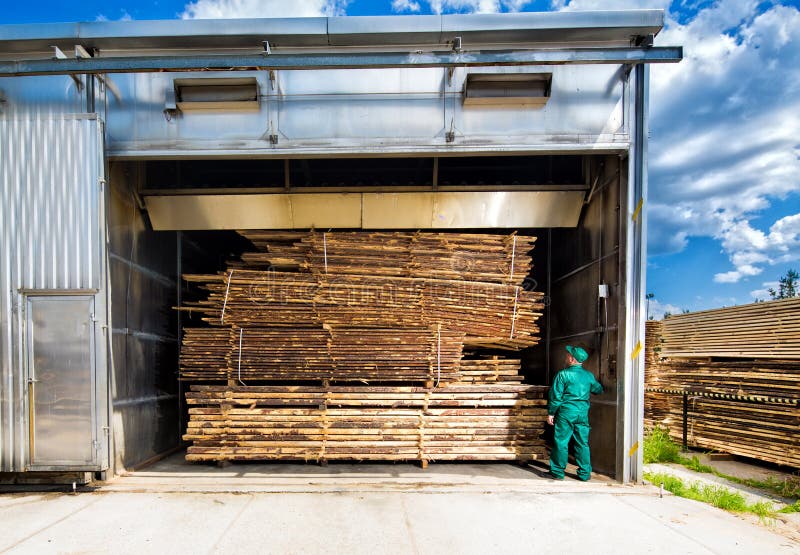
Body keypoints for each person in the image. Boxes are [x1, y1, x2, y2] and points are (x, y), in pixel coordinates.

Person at [545, 345, 603, 481]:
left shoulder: (563, 375)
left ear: (572, 359)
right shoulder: (588, 376)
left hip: (566, 412)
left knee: (561, 442)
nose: (566, 356)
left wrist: (551, 413)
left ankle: (557, 472)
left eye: (567, 355)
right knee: (582, 443)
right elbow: (598, 389)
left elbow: (556, 396)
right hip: (582, 413)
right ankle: (584, 474)